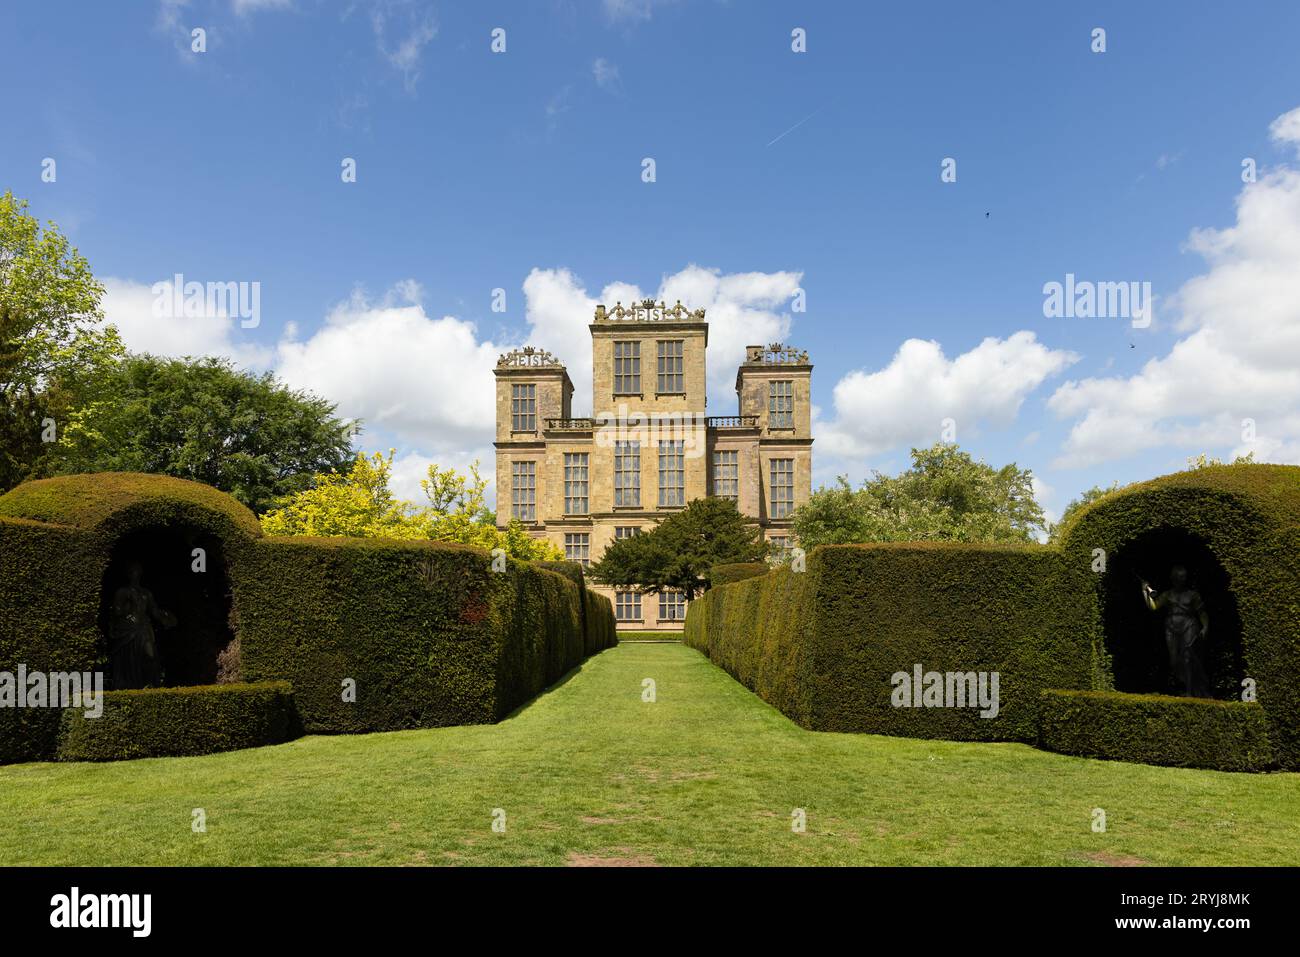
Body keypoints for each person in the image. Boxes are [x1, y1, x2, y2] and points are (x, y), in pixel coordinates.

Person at [1140, 565, 1210, 697]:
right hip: (1171, 629)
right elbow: (1153, 606)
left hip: (1189, 626)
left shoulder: (1192, 595)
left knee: (1187, 658)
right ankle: (1185, 687)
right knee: (1174, 661)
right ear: (1173, 579)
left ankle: (1189, 692)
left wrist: (1205, 626)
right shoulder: (1168, 595)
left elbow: (1202, 612)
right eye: (1178, 578)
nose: (1180, 580)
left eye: (1183, 577)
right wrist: (1145, 592)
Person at [109, 562, 177, 689]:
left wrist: (166, 617)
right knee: (129, 658)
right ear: (128, 574)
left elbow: (154, 611)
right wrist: (128, 610)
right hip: (128, 628)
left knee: (150, 655)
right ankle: (129, 685)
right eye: (132, 571)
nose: (135, 574)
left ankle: (150, 683)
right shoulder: (122, 591)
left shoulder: (146, 593)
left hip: (144, 627)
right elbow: (117, 610)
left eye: (137, 571)